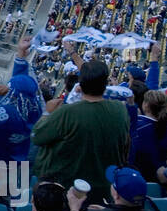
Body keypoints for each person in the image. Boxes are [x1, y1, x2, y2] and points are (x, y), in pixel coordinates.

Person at [31, 60, 129, 203]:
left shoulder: (67, 112)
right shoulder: (120, 110)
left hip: (68, 192)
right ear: (105, 83)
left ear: (80, 84)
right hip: (104, 192)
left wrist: (47, 113)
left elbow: (37, 136)